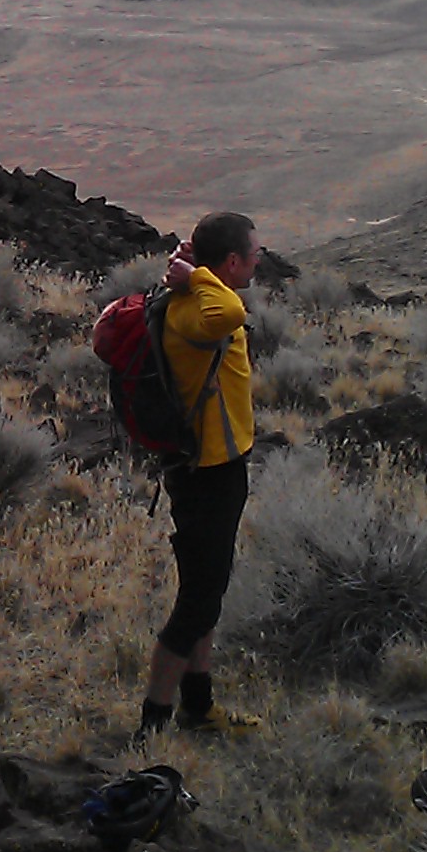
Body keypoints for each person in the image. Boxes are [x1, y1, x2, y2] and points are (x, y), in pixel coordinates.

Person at [138, 210, 264, 741]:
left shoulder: (198, 299)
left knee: (204, 590)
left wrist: (195, 273)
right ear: (232, 262)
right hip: (208, 472)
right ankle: (153, 725)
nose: (260, 259)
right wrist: (198, 277)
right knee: (196, 604)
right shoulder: (201, 309)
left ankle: (198, 705)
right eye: (254, 254)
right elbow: (230, 312)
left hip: (215, 465)